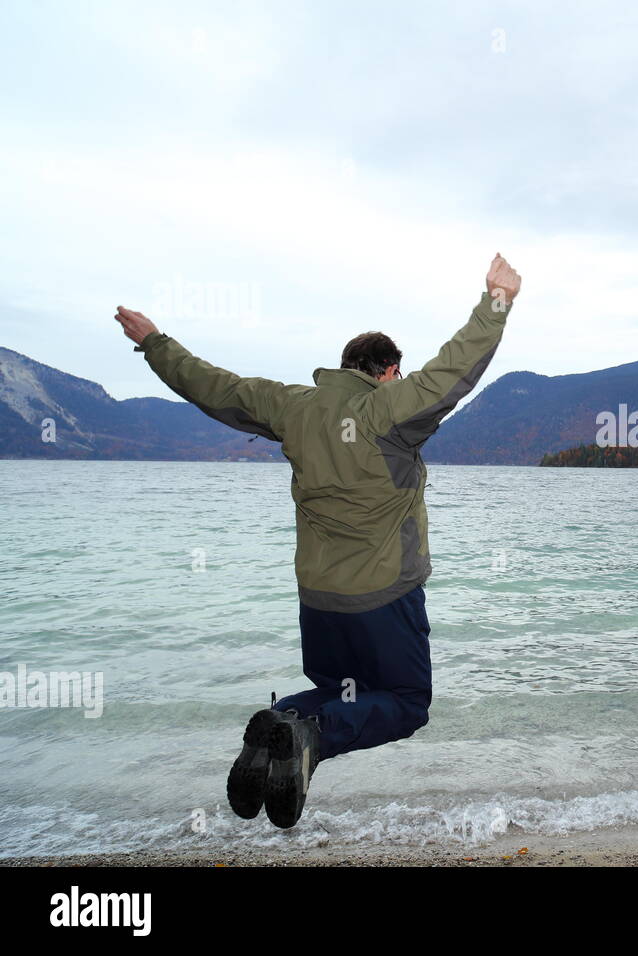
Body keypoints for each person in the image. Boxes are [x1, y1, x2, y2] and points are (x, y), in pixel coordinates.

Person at [114, 254, 522, 828]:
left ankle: (279, 725)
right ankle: (309, 735)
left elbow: (216, 388)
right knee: (406, 704)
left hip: (318, 600)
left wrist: (155, 342)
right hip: (384, 596)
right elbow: (453, 371)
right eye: (399, 376)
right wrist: (497, 301)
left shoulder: (294, 408)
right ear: (388, 371)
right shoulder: (389, 409)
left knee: (340, 689)